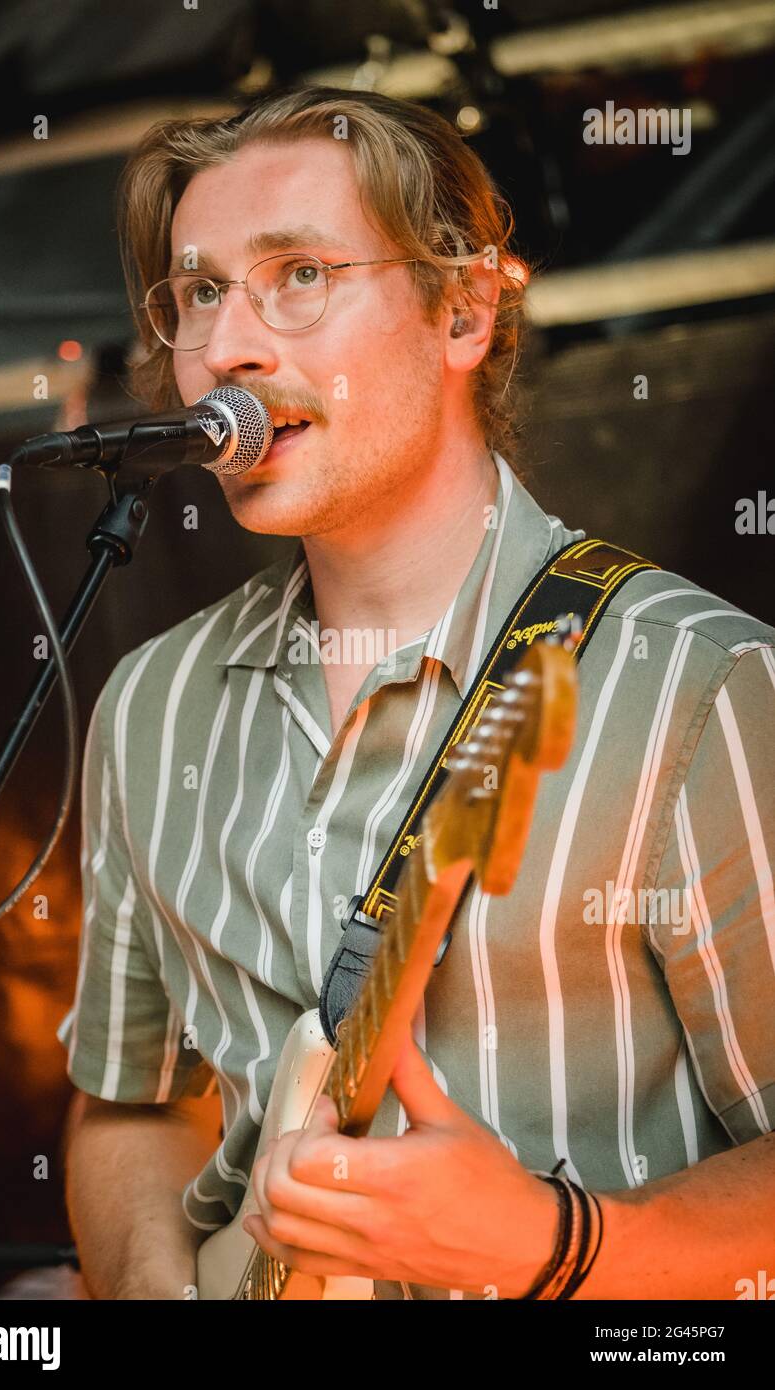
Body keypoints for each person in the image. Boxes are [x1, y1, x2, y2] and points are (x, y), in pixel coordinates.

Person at [57, 86, 775, 1300]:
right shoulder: (149, 708)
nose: (229, 342)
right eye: (200, 291)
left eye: (297, 274)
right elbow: (126, 1102)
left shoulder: (697, 687)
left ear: (462, 309)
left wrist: (556, 1243)